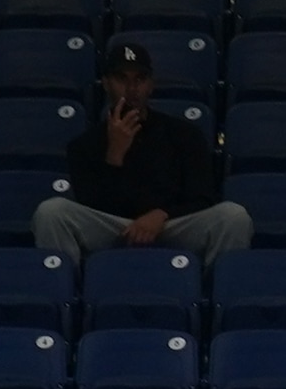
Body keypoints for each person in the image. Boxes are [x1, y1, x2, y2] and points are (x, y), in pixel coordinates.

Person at [31, 42, 256, 263]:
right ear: (107, 84)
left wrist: (161, 214)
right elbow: (94, 204)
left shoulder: (184, 133)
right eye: (122, 79)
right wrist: (114, 155)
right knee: (51, 212)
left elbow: (203, 197)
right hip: (113, 228)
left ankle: (216, 291)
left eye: (140, 79)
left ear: (150, 84)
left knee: (233, 216)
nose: (132, 89)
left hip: (171, 225)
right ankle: (68, 287)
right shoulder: (84, 144)